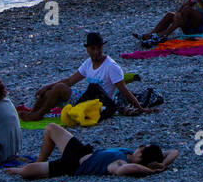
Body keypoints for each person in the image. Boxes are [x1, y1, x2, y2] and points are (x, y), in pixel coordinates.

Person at [23, 32, 154, 121]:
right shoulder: (88, 63)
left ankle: (37, 115)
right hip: (87, 97)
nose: (96, 52)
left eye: (99, 48)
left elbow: (124, 91)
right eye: (93, 49)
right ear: (87, 49)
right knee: (49, 91)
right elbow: (70, 80)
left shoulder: (111, 66)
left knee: (59, 88)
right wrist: (46, 87)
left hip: (99, 103)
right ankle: (32, 112)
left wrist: (140, 109)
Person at [5, 124, 177, 180]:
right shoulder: (127, 153)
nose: (139, 146)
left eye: (142, 147)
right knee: (51, 128)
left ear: (141, 154)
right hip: (81, 150)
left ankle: (24, 168)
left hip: (74, 165)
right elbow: (174, 151)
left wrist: (151, 170)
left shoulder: (122, 163)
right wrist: (163, 164)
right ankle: (39, 160)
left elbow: (126, 171)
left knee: (27, 172)